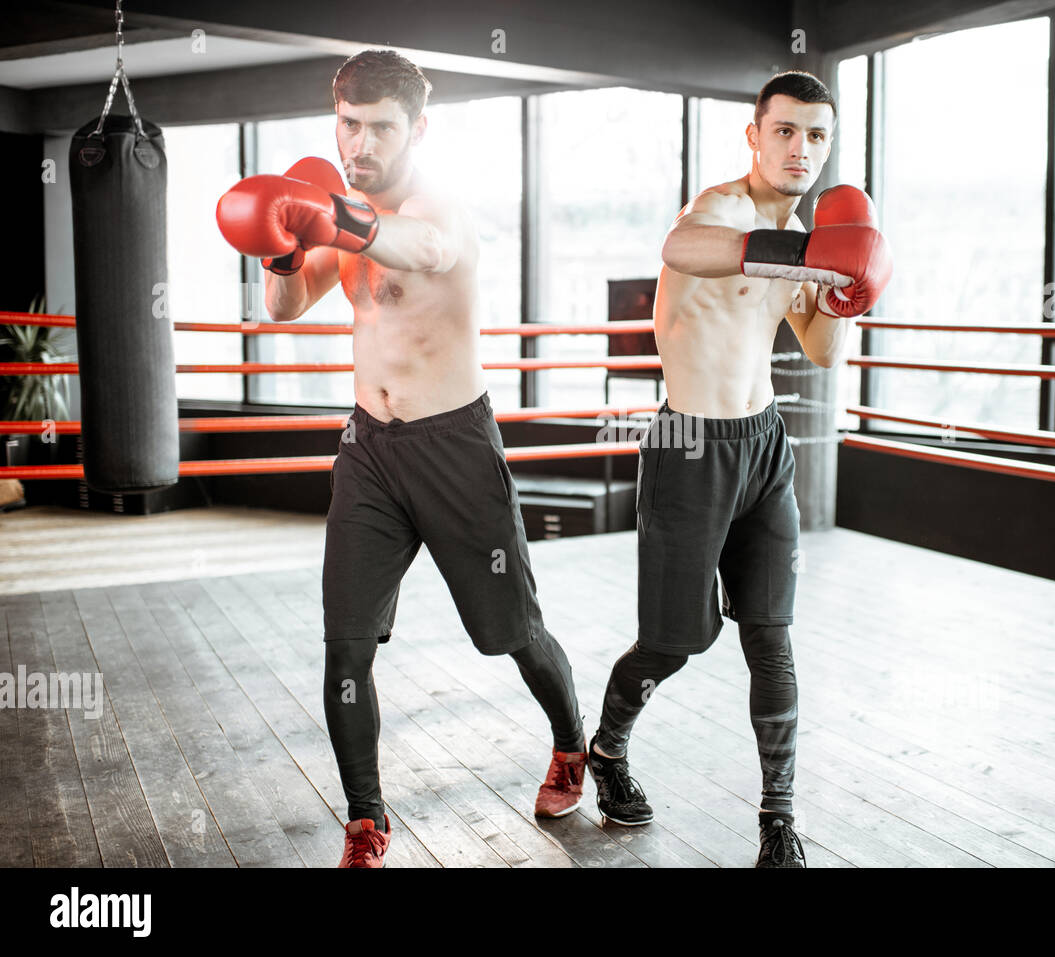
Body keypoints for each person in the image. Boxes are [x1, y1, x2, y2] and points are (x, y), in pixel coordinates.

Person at [215, 49, 587, 869]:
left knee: (513, 634)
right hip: (370, 449)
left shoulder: (436, 204)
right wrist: (281, 244)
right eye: (349, 124)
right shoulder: (332, 202)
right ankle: (364, 818)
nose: (361, 143)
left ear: (418, 127)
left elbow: (421, 249)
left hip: (453, 443)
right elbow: (283, 306)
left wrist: (332, 220)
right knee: (345, 645)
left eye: (380, 127)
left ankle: (570, 739)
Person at [585, 70, 892, 868]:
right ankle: (608, 748)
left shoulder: (800, 236)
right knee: (676, 640)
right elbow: (679, 246)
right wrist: (805, 253)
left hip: (763, 445)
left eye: (816, 135)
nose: (800, 148)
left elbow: (821, 353)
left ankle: (777, 820)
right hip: (690, 448)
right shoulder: (721, 211)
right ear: (755, 135)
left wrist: (849, 289)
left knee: (771, 634)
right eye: (784, 131)